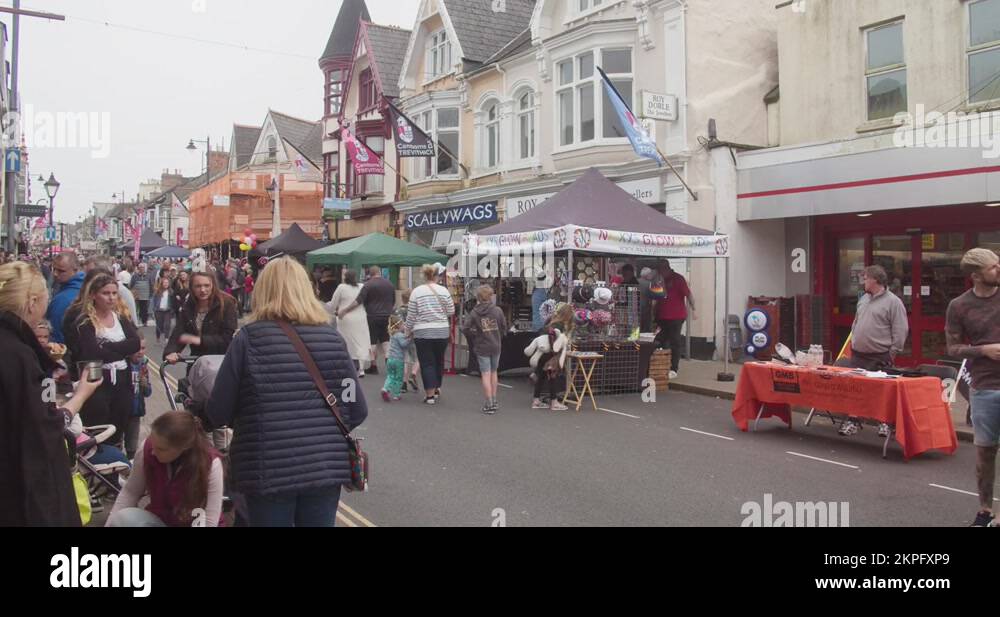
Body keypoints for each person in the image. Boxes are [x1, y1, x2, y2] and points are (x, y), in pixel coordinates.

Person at [207, 257, 368, 527]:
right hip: (324, 466)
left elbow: (219, 410)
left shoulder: (248, 339)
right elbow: (354, 404)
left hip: (266, 467)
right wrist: (323, 431)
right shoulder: (333, 339)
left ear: (262, 291)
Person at [0, 261, 104, 526]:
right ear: (33, 302)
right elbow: (43, 428)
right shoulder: (20, 355)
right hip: (19, 491)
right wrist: (80, 396)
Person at [945, 248, 1000, 527]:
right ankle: (985, 510)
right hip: (984, 387)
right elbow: (953, 348)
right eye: (993, 268)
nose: (999, 270)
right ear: (976, 275)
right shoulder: (959, 306)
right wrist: (984, 350)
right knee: (985, 452)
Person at [107, 411, 224, 528]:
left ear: (184, 447)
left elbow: (209, 522)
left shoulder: (211, 464)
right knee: (123, 518)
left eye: (161, 449)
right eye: (153, 444)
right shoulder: (147, 448)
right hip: (160, 520)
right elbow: (130, 492)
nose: (152, 452)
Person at [836, 265, 909, 437]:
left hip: (880, 354)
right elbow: (856, 322)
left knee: (881, 392)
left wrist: (893, 351)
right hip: (859, 354)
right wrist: (854, 340)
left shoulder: (893, 302)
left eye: (866, 278)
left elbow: (901, 329)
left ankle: (885, 423)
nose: (863, 281)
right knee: (855, 389)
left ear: (875, 280)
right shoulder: (863, 299)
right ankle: (852, 421)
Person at [72, 273, 142, 446]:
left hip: (122, 380)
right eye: (105, 293)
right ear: (94, 295)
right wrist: (121, 349)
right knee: (98, 427)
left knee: (119, 428)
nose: (111, 298)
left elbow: (135, 344)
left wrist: (106, 347)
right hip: (98, 380)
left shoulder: (121, 318)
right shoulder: (85, 321)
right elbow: (92, 352)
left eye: (114, 293)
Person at [406, 264, 456, 405]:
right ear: (436, 276)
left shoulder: (416, 292)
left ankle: (429, 396)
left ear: (425, 276)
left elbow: (411, 315)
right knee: (439, 361)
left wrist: (407, 330)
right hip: (441, 331)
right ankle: (437, 388)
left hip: (422, 332)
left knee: (427, 363)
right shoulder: (444, 291)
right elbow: (451, 311)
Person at [164, 271, 239, 365]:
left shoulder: (226, 304)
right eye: (198, 286)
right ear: (191, 288)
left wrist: (200, 340)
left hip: (221, 363)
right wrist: (171, 352)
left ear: (213, 285)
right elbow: (179, 332)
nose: (203, 290)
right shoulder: (188, 306)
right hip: (197, 362)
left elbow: (228, 338)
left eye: (207, 285)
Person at [340, 266, 396, 376]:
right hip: (387, 316)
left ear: (369, 274)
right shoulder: (390, 284)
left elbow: (358, 301)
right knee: (386, 341)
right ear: (379, 272)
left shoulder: (368, 285)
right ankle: (389, 367)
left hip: (372, 316)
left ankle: (373, 366)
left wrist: (345, 310)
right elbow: (393, 301)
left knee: (372, 342)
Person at [462, 285, 507, 415]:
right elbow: (504, 326)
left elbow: (465, 328)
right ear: (490, 296)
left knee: (485, 374)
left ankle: (489, 402)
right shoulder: (497, 310)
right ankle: (494, 399)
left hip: (482, 345)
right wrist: (499, 335)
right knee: (494, 372)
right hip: (496, 344)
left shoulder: (474, 312)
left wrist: (474, 335)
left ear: (478, 297)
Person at [654, 261, 696, 381]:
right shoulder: (659, 280)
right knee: (659, 340)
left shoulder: (678, 279)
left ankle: (674, 369)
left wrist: (694, 309)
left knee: (675, 341)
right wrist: (655, 312)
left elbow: (688, 294)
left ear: (666, 268)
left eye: (661, 270)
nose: (659, 273)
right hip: (663, 316)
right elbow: (657, 298)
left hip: (676, 316)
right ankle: (662, 365)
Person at [327, 270, 371, 377]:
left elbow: (333, 304)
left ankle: (348, 365)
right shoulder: (361, 286)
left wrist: (332, 310)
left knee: (347, 341)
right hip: (360, 317)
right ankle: (361, 368)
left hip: (345, 318)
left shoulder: (341, 287)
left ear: (345, 277)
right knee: (360, 341)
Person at [531, 303, 573, 412]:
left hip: (542, 352)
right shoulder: (559, 325)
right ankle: (554, 402)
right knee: (552, 377)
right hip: (551, 354)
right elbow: (558, 343)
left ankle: (536, 401)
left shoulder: (550, 321)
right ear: (567, 315)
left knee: (542, 377)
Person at [46, 253, 84, 344]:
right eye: (53, 269)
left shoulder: (62, 299)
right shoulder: (87, 287)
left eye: (61, 271)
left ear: (75, 270)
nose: (55, 274)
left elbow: (55, 333)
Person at [125, 337, 152, 461]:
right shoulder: (123, 365)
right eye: (137, 348)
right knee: (117, 443)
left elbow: (148, 393)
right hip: (121, 413)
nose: (140, 352)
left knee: (132, 447)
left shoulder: (143, 366)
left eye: (143, 348)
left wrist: (144, 382)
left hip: (136, 412)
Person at [395, 289, 420, 393]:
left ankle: (403, 383)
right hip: (414, 336)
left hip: (402, 337)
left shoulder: (398, 311)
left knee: (404, 360)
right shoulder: (415, 310)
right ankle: (413, 373)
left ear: (402, 298)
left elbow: (394, 326)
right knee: (418, 357)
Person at [381, 315, 410, 403]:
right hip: (398, 360)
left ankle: (385, 388)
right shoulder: (400, 335)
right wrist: (409, 339)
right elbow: (403, 345)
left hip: (390, 359)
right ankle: (397, 395)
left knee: (390, 375)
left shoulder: (392, 335)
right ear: (398, 326)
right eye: (402, 324)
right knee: (398, 378)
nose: (404, 326)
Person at [152, 276, 175, 344]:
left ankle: (166, 339)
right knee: (159, 325)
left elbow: (173, 302)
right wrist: (154, 310)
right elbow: (153, 301)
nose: (165, 284)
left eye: (167, 282)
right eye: (164, 282)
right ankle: (158, 338)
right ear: (161, 283)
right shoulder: (157, 291)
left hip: (167, 310)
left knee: (167, 324)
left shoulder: (171, 292)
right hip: (159, 310)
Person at [131, 262, 153, 327]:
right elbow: (131, 285)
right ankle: (137, 320)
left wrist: (151, 294)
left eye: (143, 267)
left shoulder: (149, 276)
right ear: (138, 268)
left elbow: (151, 285)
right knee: (137, 308)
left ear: (145, 268)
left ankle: (144, 321)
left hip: (146, 295)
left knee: (145, 308)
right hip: (137, 295)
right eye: (140, 267)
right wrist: (133, 294)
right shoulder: (135, 276)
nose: (142, 269)